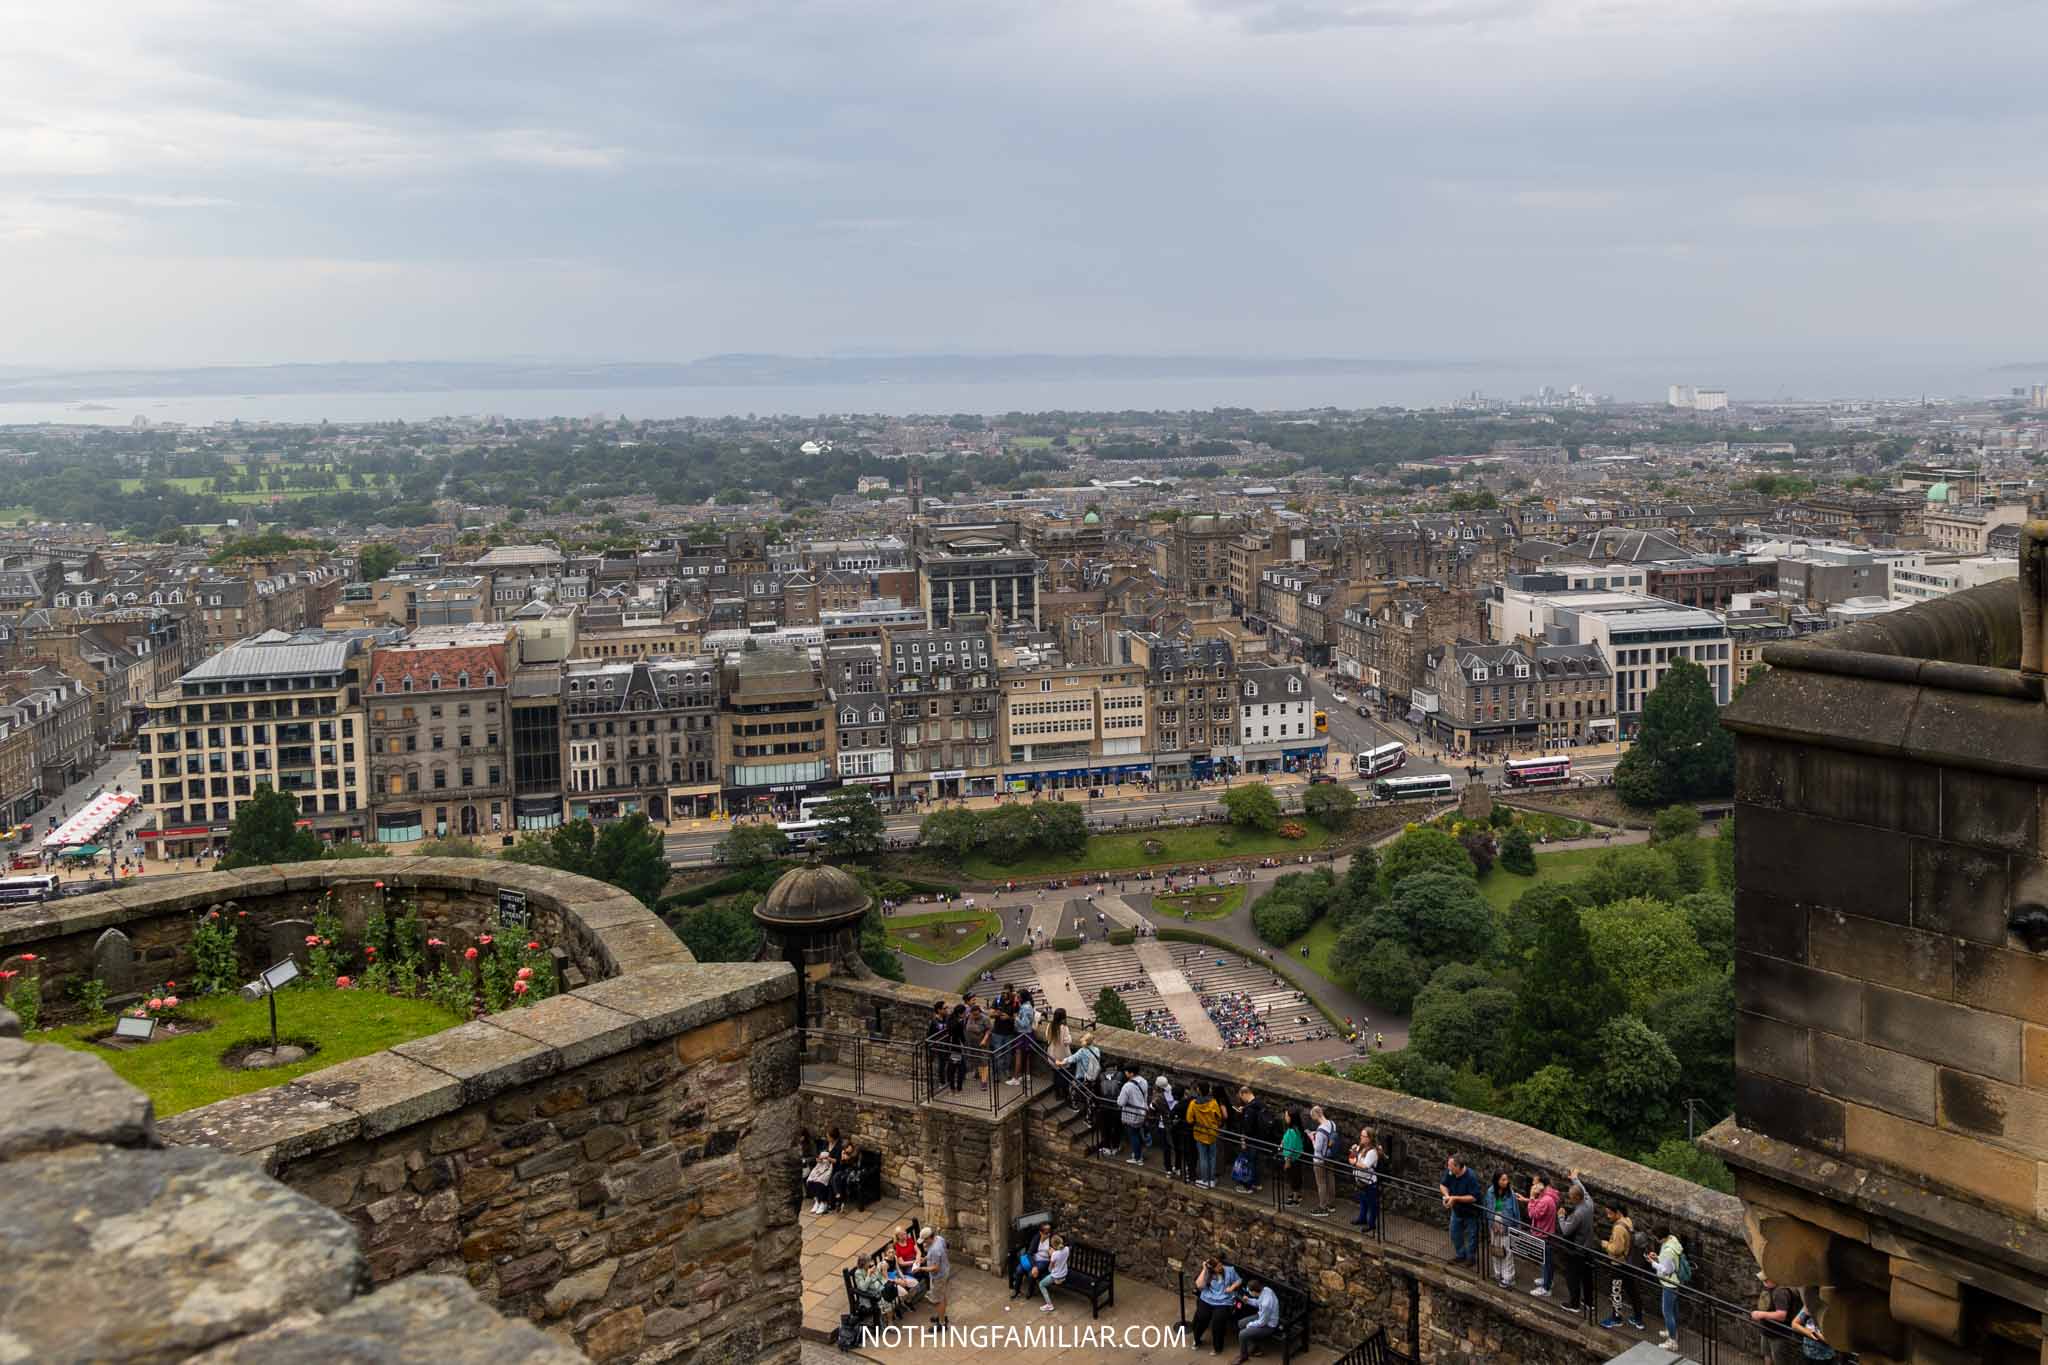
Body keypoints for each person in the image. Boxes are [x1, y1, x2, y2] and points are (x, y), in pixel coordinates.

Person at [1600, 1205, 1647, 1332]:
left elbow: (1616, 1250)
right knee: (1633, 1291)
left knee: (1616, 1290)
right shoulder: (1628, 1221)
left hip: (1619, 1264)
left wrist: (1606, 1245)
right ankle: (1638, 1318)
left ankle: (1616, 1319)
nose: (1608, 1216)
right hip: (1629, 1263)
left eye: (1610, 1213)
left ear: (1618, 1212)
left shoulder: (1618, 1229)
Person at [1556, 1181, 1598, 1310]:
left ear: (1576, 1198)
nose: (1569, 1199)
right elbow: (1585, 1191)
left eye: (1571, 1197)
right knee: (1587, 1276)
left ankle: (1574, 1304)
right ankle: (1589, 1303)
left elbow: (1566, 1231)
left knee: (1572, 1276)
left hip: (1577, 1250)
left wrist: (1561, 1217)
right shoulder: (1589, 1204)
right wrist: (1575, 1179)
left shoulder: (1577, 1214)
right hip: (1588, 1247)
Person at [1190, 1255, 1243, 1354]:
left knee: (1218, 1322)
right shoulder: (1207, 1273)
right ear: (1212, 1269)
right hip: (1207, 1298)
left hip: (1224, 1301)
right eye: (1218, 1267)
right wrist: (1204, 1268)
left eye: (1220, 1264)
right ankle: (1197, 1340)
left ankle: (1217, 1348)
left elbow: (1239, 1280)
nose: (1221, 1267)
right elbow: (1199, 1285)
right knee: (1201, 1317)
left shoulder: (1230, 1270)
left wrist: (1232, 1288)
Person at [1519, 1174, 1561, 1297]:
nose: (1533, 1186)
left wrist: (1531, 1197)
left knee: (1546, 1261)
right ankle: (1547, 1280)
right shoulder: (1549, 1194)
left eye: (1534, 1183)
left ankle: (1546, 1288)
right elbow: (1540, 1204)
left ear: (1541, 1184)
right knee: (1546, 1260)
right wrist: (1527, 1200)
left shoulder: (1546, 1200)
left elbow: (1532, 1214)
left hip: (1544, 1234)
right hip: (1547, 1232)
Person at [1751, 1272, 1804, 1365]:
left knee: (1779, 1360)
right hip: (1767, 1330)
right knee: (1767, 1355)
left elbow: (1781, 1315)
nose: (1764, 1282)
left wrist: (1761, 1314)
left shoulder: (1780, 1292)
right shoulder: (1770, 1287)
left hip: (1778, 1334)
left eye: (1766, 1280)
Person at [1439, 1154, 1483, 1265]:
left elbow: (1473, 1197)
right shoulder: (1450, 1173)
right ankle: (1460, 1254)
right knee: (1454, 1233)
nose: (1448, 1168)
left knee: (1472, 1236)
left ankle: (1470, 1258)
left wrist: (1455, 1198)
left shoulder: (1471, 1177)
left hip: (1471, 1212)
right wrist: (1448, 1196)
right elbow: (1443, 1185)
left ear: (1458, 1166)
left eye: (1450, 1166)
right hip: (1457, 1210)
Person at [1648, 1226, 1684, 1352]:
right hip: (1675, 1282)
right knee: (1673, 1310)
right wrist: (1658, 1257)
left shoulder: (1668, 1250)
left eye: (1656, 1237)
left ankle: (1672, 1341)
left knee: (1667, 1312)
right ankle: (1671, 1331)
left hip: (1670, 1284)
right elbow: (1670, 1263)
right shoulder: (1672, 1240)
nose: (1655, 1239)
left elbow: (1666, 1270)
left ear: (1661, 1237)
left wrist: (1653, 1263)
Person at [1483, 1170, 1521, 1288]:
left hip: (1506, 1225)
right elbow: (1487, 1207)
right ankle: (1498, 1273)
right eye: (1503, 1180)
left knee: (1507, 1251)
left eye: (1506, 1179)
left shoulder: (1510, 1193)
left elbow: (1515, 1211)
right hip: (1494, 1225)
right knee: (1495, 1249)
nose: (1506, 1182)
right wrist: (1489, 1223)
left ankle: (1508, 1277)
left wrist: (1517, 1227)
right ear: (1497, 1181)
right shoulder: (1490, 1192)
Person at [1233, 1277, 1280, 1365]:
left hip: (1269, 1325)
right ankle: (1255, 1347)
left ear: (1255, 1291)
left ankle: (1243, 1356)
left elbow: (1262, 1322)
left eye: (1250, 1292)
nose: (1249, 1293)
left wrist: (1250, 1325)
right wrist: (1249, 1300)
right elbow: (1259, 1303)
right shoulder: (1265, 1289)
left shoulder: (1266, 1303)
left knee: (1242, 1334)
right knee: (1240, 1323)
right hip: (1262, 1316)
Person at [1188, 1083, 1226, 1188]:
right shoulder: (1213, 1102)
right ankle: (1212, 1180)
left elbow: (1189, 1119)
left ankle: (1204, 1180)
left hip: (1200, 1133)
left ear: (1198, 1090)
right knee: (1212, 1157)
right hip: (1212, 1133)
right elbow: (1219, 1117)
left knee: (1203, 1157)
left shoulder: (1193, 1103)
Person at [918, 1226, 951, 1328]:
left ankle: (941, 1323)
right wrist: (926, 1258)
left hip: (938, 1276)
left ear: (929, 1238)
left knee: (938, 1300)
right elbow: (944, 1250)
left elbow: (935, 1268)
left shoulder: (935, 1250)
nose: (923, 1243)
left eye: (924, 1240)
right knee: (942, 1295)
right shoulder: (939, 1239)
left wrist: (922, 1269)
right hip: (945, 1270)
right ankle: (942, 1315)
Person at [1308, 1106, 1338, 1218]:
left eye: (1313, 1118)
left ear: (1316, 1115)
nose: (1314, 1120)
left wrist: (1312, 1137)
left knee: (1321, 1183)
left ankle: (1322, 1207)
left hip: (1320, 1160)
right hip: (1330, 1157)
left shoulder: (1320, 1131)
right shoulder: (1332, 1124)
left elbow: (1317, 1148)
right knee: (1331, 1178)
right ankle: (1331, 1204)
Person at [1348, 1127, 1380, 1230]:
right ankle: (1362, 1218)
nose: (1361, 1137)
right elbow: (1352, 1157)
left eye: (1363, 1136)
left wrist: (1354, 1163)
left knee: (1372, 1204)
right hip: (1360, 1180)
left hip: (1369, 1182)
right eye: (1361, 1135)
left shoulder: (1372, 1152)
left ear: (1369, 1138)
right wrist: (1353, 1151)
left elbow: (1365, 1165)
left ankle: (1371, 1225)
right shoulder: (1360, 1147)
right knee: (1363, 1201)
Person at [1119, 1067, 1151, 1164]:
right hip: (1142, 1111)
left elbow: (1120, 1102)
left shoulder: (1127, 1086)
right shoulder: (1144, 1081)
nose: (1125, 1073)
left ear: (1131, 1073)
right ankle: (1139, 1154)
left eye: (1127, 1072)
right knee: (1137, 1133)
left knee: (1133, 1135)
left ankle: (1137, 1158)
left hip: (1131, 1114)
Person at [1278, 1108, 1307, 1207]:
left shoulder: (1292, 1131)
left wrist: (1287, 1161)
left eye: (1286, 1116)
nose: (1285, 1117)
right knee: (1295, 1177)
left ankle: (1295, 1199)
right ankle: (1296, 1194)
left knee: (1294, 1178)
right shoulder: (1297, 1128)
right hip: (1297, 1157)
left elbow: (1291, 1147)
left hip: (1293, 1158)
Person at [1037, 1235, 1070, 1312]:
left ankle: (1049, 1305)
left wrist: (1051, 1254)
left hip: (1056, 1275)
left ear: (1053, 1245)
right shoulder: (1067, 1249)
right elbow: (1062, 1255)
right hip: (1064, 1272)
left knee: (1041, 1284)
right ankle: (1060, 1279)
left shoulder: (1055, 1254)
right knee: (1055, 1275)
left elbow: (1050, 1268)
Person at [803, 1146, 836, 1215]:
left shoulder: (834, 1150)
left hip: (827, 1168)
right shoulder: (824, 1146)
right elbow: (817, 1158)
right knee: (810, 1181)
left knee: (819, 1183)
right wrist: (818, 1159)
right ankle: (817, 1201)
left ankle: (823, 1203)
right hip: (819, 1166)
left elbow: (834, 1161)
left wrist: (827, 1158)